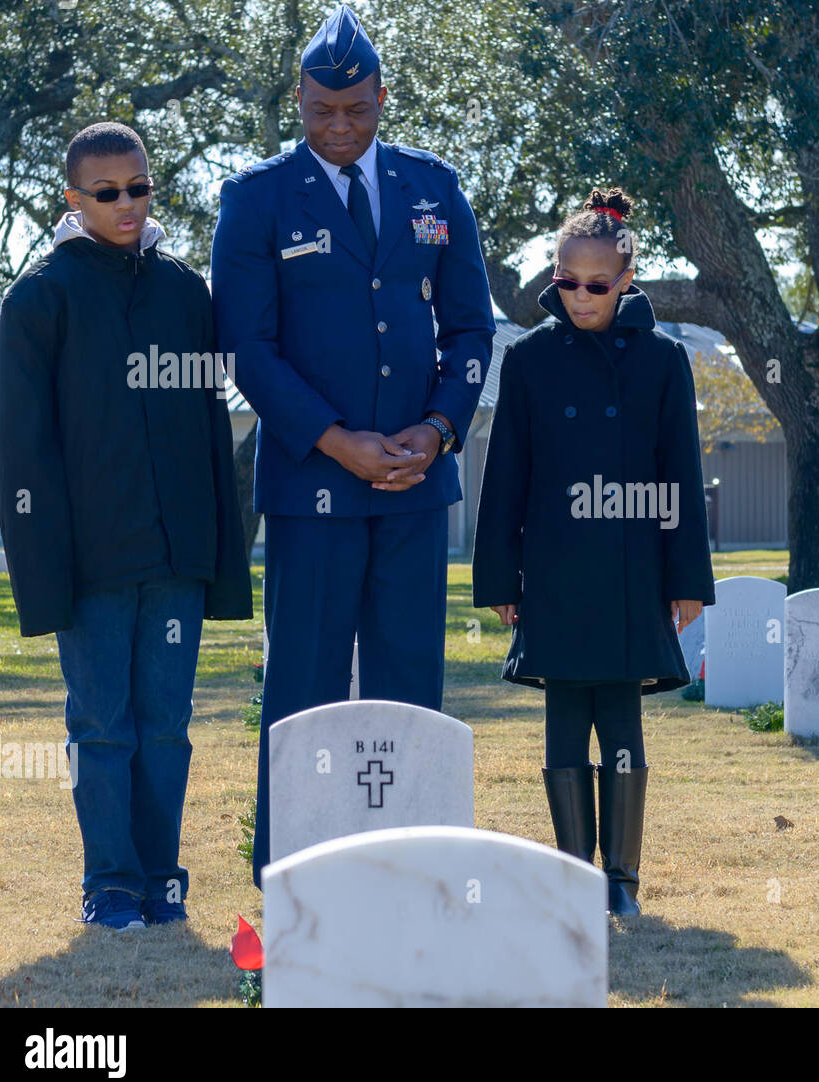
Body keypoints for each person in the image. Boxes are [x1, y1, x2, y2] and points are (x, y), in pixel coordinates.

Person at [211, 4, 495, 887]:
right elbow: (246, 349)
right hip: (312, 488)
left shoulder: (434, 186)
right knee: (304, 683)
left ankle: (414, 867)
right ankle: (293, 869)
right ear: (298, 97)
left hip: (416, 481)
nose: (340, 129)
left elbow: (471, 329)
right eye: (322, 112)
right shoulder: (255, 198)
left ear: (382, 98)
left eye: (357, 112)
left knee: (412, 681)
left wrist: (440, 428)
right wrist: (336, 442)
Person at [0, 121, 252, 930]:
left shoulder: (184, 291)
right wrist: (42, 573)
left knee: (167, 728)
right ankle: (109, 884)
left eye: (138, 187)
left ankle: (162, 881)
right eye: (107, 193)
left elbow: (213, 430)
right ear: (72, 200)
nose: (127, 203)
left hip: (175, 558)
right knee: (104, 726)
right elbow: (23, 450)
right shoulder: (40, 297)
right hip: (91, 563)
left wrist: (221, 552)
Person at [471, 187, 715, 917]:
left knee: (622, 720)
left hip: (633, 565)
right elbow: (505, 471)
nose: (580, 296)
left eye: (597, 284)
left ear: (628, 281)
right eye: (565, 281)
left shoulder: (665, 360)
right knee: (562, 718)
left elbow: (682, 477)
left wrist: (688, 580)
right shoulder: (528, 359)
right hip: (553, 564)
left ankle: (623, 884)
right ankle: (576, 877)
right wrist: (499, 576)